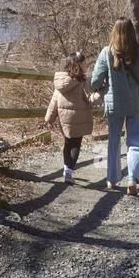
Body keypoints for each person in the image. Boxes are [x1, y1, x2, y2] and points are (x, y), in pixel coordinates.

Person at [90, 17, 139, 195]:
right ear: (132, 32)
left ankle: (112, 179)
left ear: (114, 32)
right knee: (136, 142)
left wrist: (102, 87)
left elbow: (95, 80)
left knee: (113, 141)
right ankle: (132, 179)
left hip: (114, 105)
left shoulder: (106, 52)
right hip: (135, 103)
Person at [44, 52, 95, 184]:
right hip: (79, 117)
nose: (86, 65)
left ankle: (67, 170)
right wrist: (100, 93)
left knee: (68, 143)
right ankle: (69, 172)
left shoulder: (61, 81)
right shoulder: (82, 81)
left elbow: (54, 100)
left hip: (64, 119)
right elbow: (90, 99)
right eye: (84, 63)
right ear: (78, 65)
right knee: (76, 145)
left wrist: (49, 118)